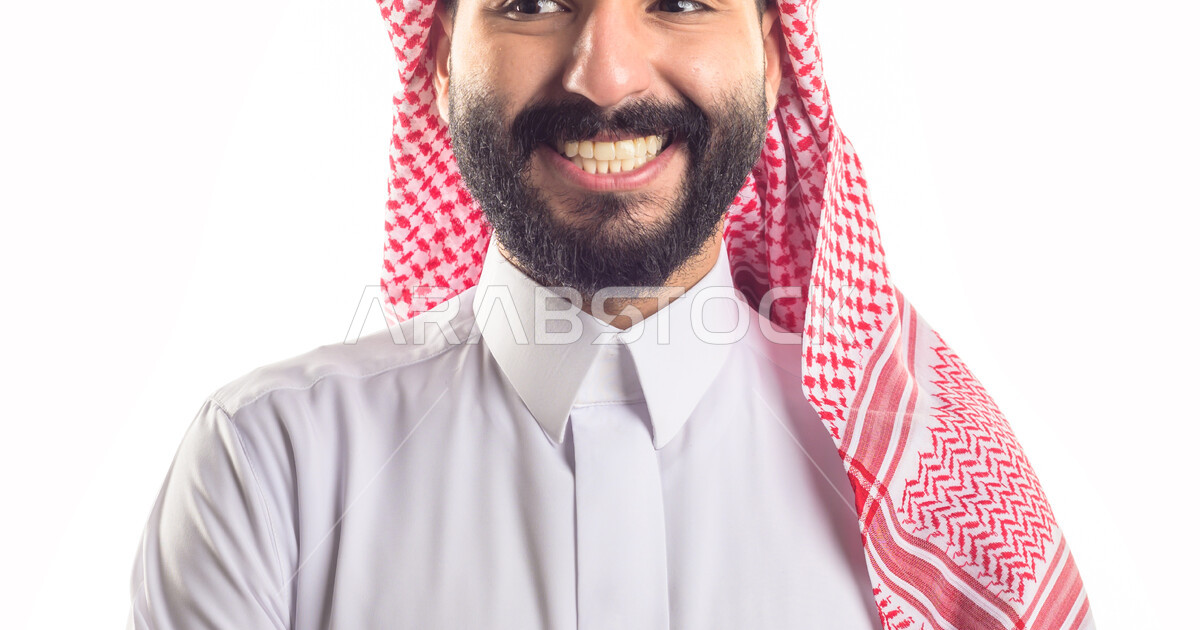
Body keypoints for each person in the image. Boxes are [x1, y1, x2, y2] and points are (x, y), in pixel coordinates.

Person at [127, 0, 1094, 627]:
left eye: (677, 1)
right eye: (532, 3)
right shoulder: (270, 475)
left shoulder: (924, 509)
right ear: (437, 61)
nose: (607, 76)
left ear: (771, 55)